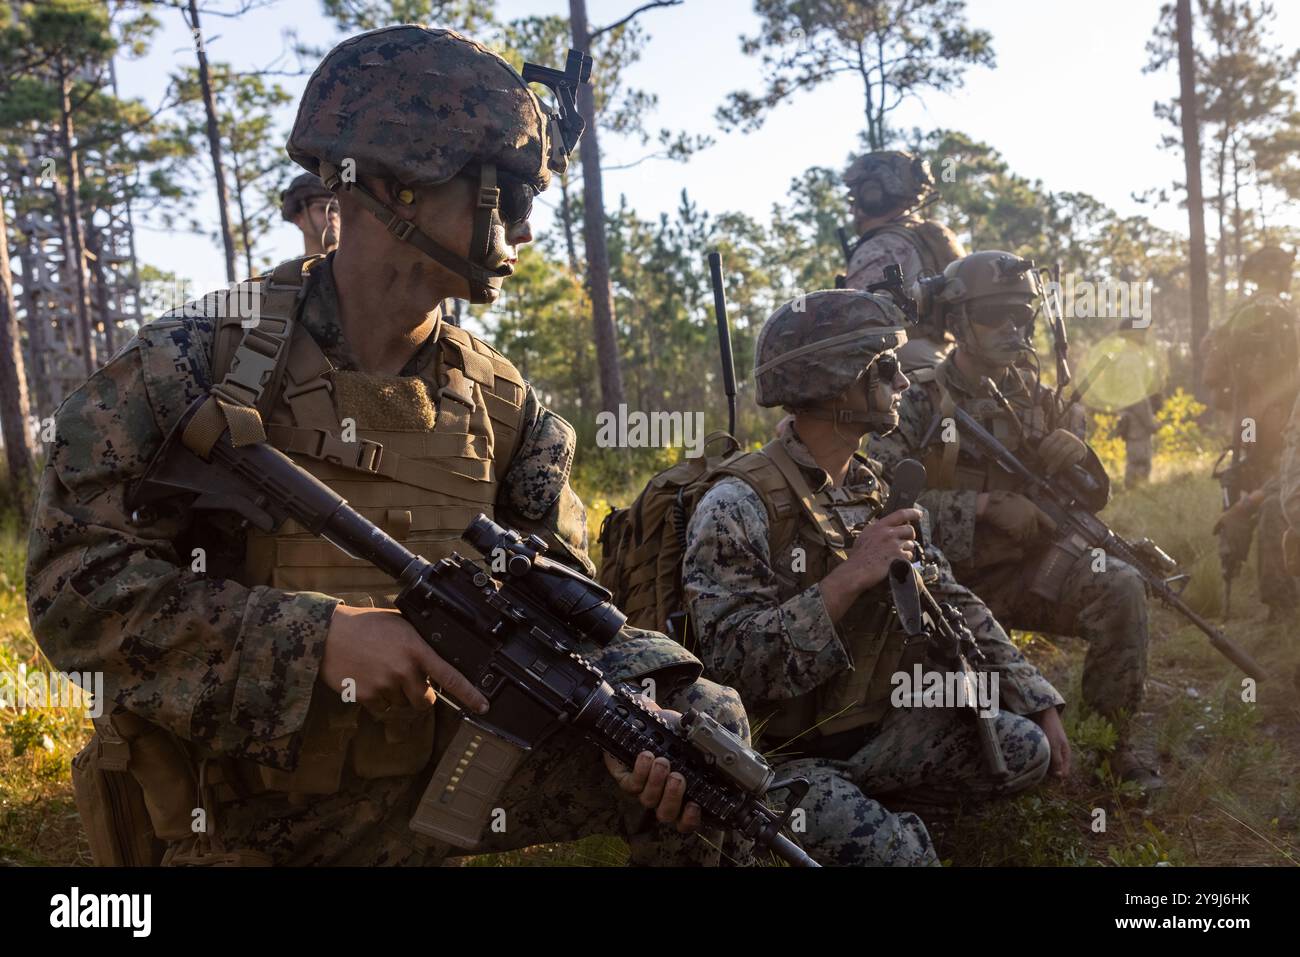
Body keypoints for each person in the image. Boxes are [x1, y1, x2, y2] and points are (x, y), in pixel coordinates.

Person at [27, 26, 750, 867]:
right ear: (403, 188)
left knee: (706, 742)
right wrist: (315, 638)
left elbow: (563, 605)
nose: (524, 229)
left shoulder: (510, 407)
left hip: (426, 771)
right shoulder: (194, 363)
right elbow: (67, 588)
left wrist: (643, 704)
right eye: (507, 195)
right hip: (242, 810)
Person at [682, 288, 1066, 867]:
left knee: (1023, 750)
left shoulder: (876, 486)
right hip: (782, 755)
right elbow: (732, 664)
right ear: (837, 380)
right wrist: (849, 577)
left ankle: (866, 811)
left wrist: (1036, 698)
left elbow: (949, 597)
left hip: (878, 733)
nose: (906, 383)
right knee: (905, 858)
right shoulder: (738, 502)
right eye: (886, 369)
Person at [869, 250, 1161, 790]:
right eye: (994, 315)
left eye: (1021, 316)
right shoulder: (916, 401)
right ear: (956, 322)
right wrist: (980, 507)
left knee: (1121, 584)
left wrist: (1080, 458)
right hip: (944, 588)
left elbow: (1085, 498)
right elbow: (874, 498)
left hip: (1025, 575)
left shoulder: (1041, 401)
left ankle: (1109, 749)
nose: (1011, 328)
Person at [1204, 245, 1299, 621]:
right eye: (1287, 270)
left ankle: (1240, 570)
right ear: (1275, 274)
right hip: (1279, 422)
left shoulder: (1235, 318)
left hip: (1247, 423)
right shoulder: (1281, 313)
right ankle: (1281, 602)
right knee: (1278, 498)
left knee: (1253, 489)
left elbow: (1216, 379)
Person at [841, 151, 966, 372]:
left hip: (900, 371)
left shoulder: (879, 246)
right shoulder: (934, 237)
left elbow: (860, 326)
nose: (852, 209)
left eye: (855, 198)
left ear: (873, 196)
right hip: (949, 360)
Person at [280, 172, 340, 256]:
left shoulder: (360, 267)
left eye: (336, 210)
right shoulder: (289, 269)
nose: (333, 216)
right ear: (299, 219)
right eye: (323, 209)